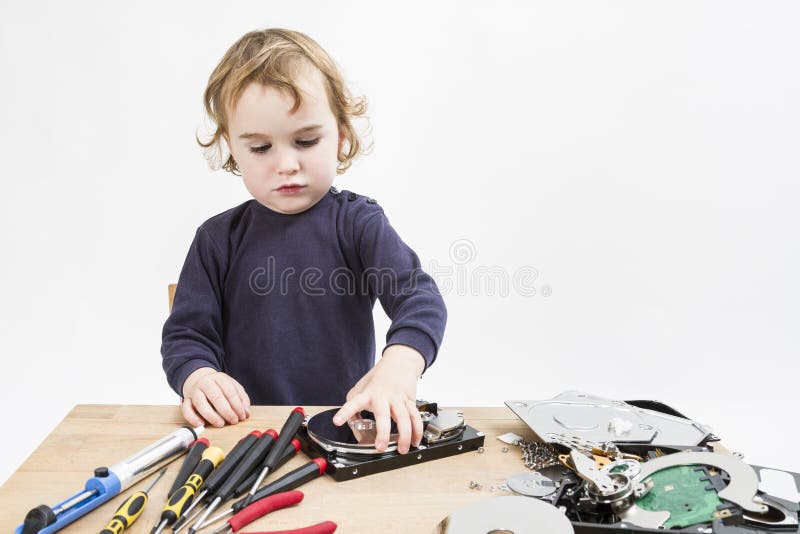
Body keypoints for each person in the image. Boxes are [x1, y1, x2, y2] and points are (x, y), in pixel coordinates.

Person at [161, 28, 447, 455]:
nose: (286, 164)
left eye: (306, 141)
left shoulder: (358, 223)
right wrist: (199, 377)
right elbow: (186, 335)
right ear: (230, 149)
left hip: (342, 433)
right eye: (260, 147)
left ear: (342, 136)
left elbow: (419, 298)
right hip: (246, 437)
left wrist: (401, 364)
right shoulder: (216, 239)